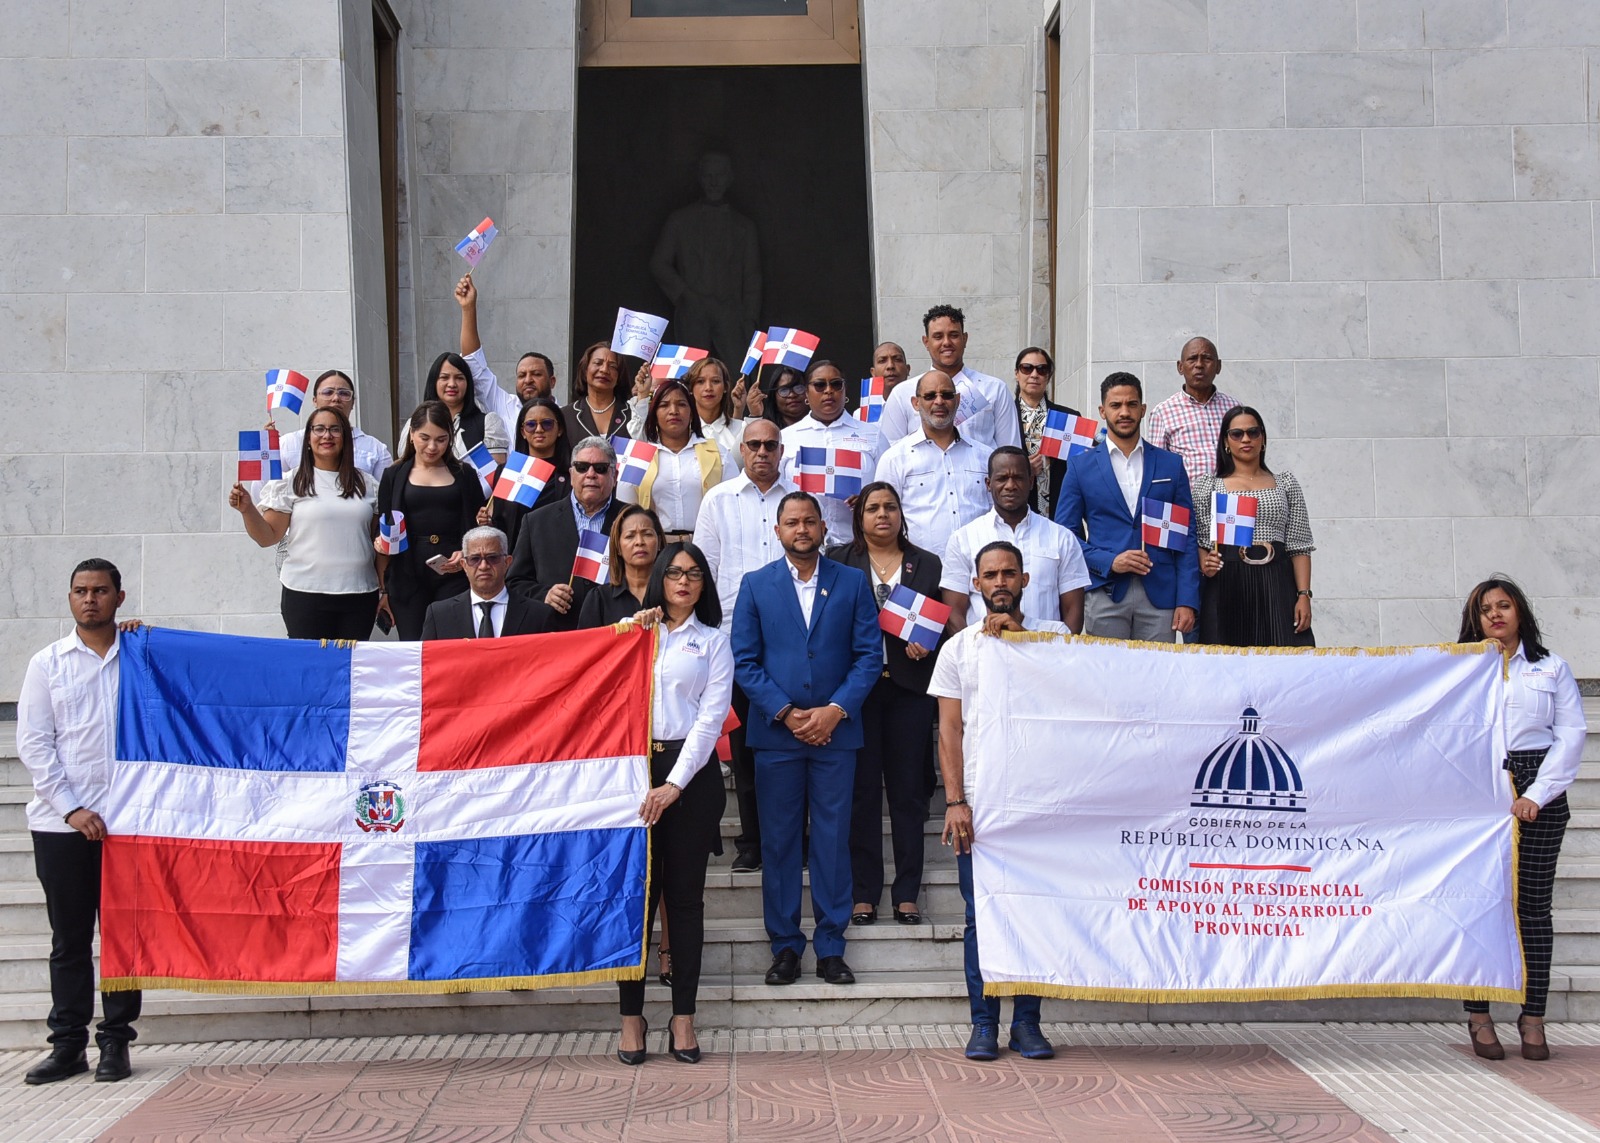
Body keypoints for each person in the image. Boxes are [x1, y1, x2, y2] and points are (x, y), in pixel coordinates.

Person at [732, 492, 881, 987]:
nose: (801, 529)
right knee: (778, 844)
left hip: (836, 735)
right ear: (777, 531)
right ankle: (785, 947)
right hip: (777, 737)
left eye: (809, 521)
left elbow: (867, 656)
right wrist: (787, 712)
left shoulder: (853, 582)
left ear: (823, 528)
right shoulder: (755, 586)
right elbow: (745, 661)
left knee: (833, 842)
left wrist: (835, 711)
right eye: (791, 522)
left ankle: (831, 947)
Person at [928, 540, 1062, 1063]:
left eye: (1009, 573)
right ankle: (983, 1022)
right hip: (980, 802)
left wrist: (1020, 640)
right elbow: (949, 731)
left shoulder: (1056, 638)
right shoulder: (957, 649)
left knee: (1033, 913)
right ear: (976, 585)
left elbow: (1073, 695)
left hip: (1041, 803)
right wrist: (956, 800)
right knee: (979, 917)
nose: (1000, 582)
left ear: (1026, 581)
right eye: (990, 575)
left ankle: (1027, 1023)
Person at [17, 559, 142, 1084]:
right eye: (80, 591)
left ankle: (116, 1043)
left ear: (119, 597)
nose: (89, 599)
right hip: (62, 825)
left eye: (100, 591)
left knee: (121, 940)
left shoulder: (140, 655)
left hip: (127, 824)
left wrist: (148, 638)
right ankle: (67, 1045)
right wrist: (71, 808)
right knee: (69, 941)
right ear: (70, 598)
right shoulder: (47, 663)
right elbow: (34, 743)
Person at [615, 543, 734, 1066]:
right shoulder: (633, 633)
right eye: (675, 573)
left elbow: (710, 722)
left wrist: (675, 785)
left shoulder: (713, 642)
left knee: (684, 900)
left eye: (695, 574)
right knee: (636, 900)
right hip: (633, 775)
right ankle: (631, 1017)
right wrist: (632, 633)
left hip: (691, 778)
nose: (684, 582)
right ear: (659, 577)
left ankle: (682, 1016)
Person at [1458, 578, 1585, 1062]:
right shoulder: (1461, 670)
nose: (1495, 614)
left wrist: (1536, 794)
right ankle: (1479, 1015)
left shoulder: (1551, 668)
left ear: (1519, 612)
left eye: (1503, 605)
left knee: (1531, 908)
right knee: (1479, 904)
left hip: (1538, 781)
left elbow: (1570, 734)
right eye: (1485, 609)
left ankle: (1533, 1018)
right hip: (1479, 785)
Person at [825, 483, 942, 928]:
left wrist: (926, 646)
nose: (882, 515)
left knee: (909, 794)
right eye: (872, 508)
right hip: (857, 695)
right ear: (859, 518)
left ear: (901, 514)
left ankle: (907, 891)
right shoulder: (839, 562)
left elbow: (941, 623)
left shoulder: (927, 564)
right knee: (861, 794)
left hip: (909, 693)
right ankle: (864, 892)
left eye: (890, 507)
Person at [692, 418, 796, 874]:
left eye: (769, 445)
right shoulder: (717, 500)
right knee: (748, 749)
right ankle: (752, 842)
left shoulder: (797, 502)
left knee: (795, 749)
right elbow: (704, 573)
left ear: (781, 450)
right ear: (740, 450)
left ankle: (798, 839)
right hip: (737, 642)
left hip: (796, 640)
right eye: (752, 444)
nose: (760, 452)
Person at [1054, 373, 1200, 642]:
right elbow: (1065, 536)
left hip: (1161, 596)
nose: (1124, 412)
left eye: (1132, 404)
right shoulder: (1080, 466)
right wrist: (1110, 561)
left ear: (1143, 409)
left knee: (1158, 679)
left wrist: (1188, 599)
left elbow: (1187, 537)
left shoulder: (1171, 465)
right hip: (1105, 592)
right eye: (1116, 405)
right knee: (1108, 680)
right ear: (1102, 411)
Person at [230, 406, 379, 641]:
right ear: (308, 438)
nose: (326, 435)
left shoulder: (368, 484)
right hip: (304, 595)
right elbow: (267, 537)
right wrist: (247, 509)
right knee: (310, 671)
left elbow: (377, 542)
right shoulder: (291, 482)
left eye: (334, 429)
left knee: (349, 672)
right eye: (319, 429)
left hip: (359, 595)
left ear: (345, 438)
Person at [1192, 406, 1314, 647]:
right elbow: (1200, 541)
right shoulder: (1209, 487)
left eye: (1253, 432)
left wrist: (1303, 595)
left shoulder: (1286, 484)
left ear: (1263, 439)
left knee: (1287, 659)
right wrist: (1205, 564)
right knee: (1228, 662)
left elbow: (1299, 547)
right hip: (1228, 581)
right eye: (1236, 434)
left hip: (1277, 581)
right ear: (1226, 442)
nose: (1245, 439)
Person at [940, 447, 1089, 633]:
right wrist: (972, 654)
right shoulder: (963, 539)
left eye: (1018, 478)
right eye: (1002, 478)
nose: (1010, 485)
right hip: (984, 654)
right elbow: (954, 612)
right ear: (988, 484)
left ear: (1031, 481)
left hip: (1044, 654)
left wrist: (1059, 655)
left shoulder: (1061, 537)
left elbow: (1073, 610)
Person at [375, 401, 487, 640]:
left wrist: (465, 553)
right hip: (407, 574)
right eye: (425, 437)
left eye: (441, 439)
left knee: (453, 647)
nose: (432, 446)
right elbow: (383, 526)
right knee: (414, 647)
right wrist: (380, 545)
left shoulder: (465, 474)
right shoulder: (393, 475)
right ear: (412, 434)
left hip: (454, 572)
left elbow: (479, 527)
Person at [649, 151, 761, 365]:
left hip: (731, 313)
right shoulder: (680, 220)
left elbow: (752, 277)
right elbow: (659, 263)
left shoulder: (744, 227)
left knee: (737, 374)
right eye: (708, 176)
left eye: (719, 176)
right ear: (700, 178)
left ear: (730, 178)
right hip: (693, 312)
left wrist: (750, 319)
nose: (713, 182)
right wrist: (685, 295)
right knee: (691, 374)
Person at [507, 436, 627, 630]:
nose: (590, 474)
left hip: (617, 632)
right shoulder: (536, 521)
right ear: (571, 474)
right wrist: (544, 594)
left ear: (615, 476)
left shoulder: (634, 520)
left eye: (601, 468)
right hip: (557, 633)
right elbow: (514, 582)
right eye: (581, 467)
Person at [873, 370, 992, 559]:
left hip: (979, 570)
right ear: (916, 403)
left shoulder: (986, 457)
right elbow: (881, 519)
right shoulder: (894, 459)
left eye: (946, 395)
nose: (939, 401)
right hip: (919, 573)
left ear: (958, 400)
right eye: (929, 396)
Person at [876, 304, 1022, 450]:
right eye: (938, 336)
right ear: (926, 342)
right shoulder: (903, 393)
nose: (946, 343)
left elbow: (1011, 451)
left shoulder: (994, 389)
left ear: (965, 339)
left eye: (954, 335)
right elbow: (889, 452)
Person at [616, 378, 735, 542]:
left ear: (692, 412)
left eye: (681, 404)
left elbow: (733, 505)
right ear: (654, 413)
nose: (673, 411)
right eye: (664, 405)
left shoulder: (718, 453)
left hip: (707, 546)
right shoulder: (638, 456)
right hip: (657, 549)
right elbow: (624, 510)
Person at [779, 359, 882, 542]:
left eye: (836, 384)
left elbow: (890, 490)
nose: (828, 390)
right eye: (819, 385)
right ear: (806, 393)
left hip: (859, 544)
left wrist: (869, 501)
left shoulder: (873, 434)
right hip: (803, 546)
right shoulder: (786, 438)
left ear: (845, 389)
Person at [456, 274, 557, 432]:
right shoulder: (503, 405)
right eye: (522, 375)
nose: (528, 380)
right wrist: (468, 308)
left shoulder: (566, 416)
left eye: (536, 374)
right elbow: (473, 363)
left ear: (552, 381)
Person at [420, 526, 553, 639]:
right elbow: (427, 665)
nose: (483, 566)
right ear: (464, 565)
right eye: (475, 559)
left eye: (492, 558)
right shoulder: (439, 615)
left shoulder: (538, 614)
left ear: (507, 562)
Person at [1144, 337, 1240, 486]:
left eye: (1207, 358)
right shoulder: (1163, 413)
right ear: (1180, 367)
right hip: (1188, 502)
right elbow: (1157, 469)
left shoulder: (1234, 408)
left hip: (1231, 500)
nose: (1199, 365)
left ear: (1218, 366)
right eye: (1192, 359)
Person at [482, 396, 573, 551]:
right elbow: (501, 523)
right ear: (523, 432)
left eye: (547, 423)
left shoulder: (573, 473)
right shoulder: (508, 471)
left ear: (560, 430)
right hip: (517, 558)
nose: (539, 429)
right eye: (531, 424)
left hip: (556, 556)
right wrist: (488, 522)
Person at [272, 369, 393, 483]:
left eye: (344, 393)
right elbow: (265, 492)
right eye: (328, 392)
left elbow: (385, 496)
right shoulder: (287, 444)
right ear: (314, 400)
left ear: (353, 403)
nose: (336, 398)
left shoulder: (375, 449)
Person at [1011, 347, 1079, 519]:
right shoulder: (1003, 415)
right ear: (1016, 373)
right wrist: (1023, 469)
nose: (1034, 374)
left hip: (1060, 511)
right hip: (1016, 511)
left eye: (1042, 369)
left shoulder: (1069, 417)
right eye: (1027, 368)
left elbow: (1079, 468)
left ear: (1048, 376)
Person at [578, 505, 666, 628]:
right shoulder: (600, 598)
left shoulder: (672, 593)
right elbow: (587, 645)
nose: (639, 542)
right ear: (618, 547)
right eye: (630, 536)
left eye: (647, 534)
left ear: (659, 542)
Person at [423, 350, 509, 464]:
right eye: (444, 377)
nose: (452, 384)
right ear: (433, 382)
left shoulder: (488, 423)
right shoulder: (416, 424)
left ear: (468, 383)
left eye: (459, 378)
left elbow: (493, 472)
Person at [565, 342, 630, 441]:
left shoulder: (633, 415)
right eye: (598, 363)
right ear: (585, 370)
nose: (604, 370)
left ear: (619, 375)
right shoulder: (565, 415)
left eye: (612, 366)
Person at [751, 365, 809, 430]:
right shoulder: (766, 430)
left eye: (798, 388)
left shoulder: (822, 424)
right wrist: (755, 415)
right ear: (774, 397)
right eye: (784, 390)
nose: (792, 395)